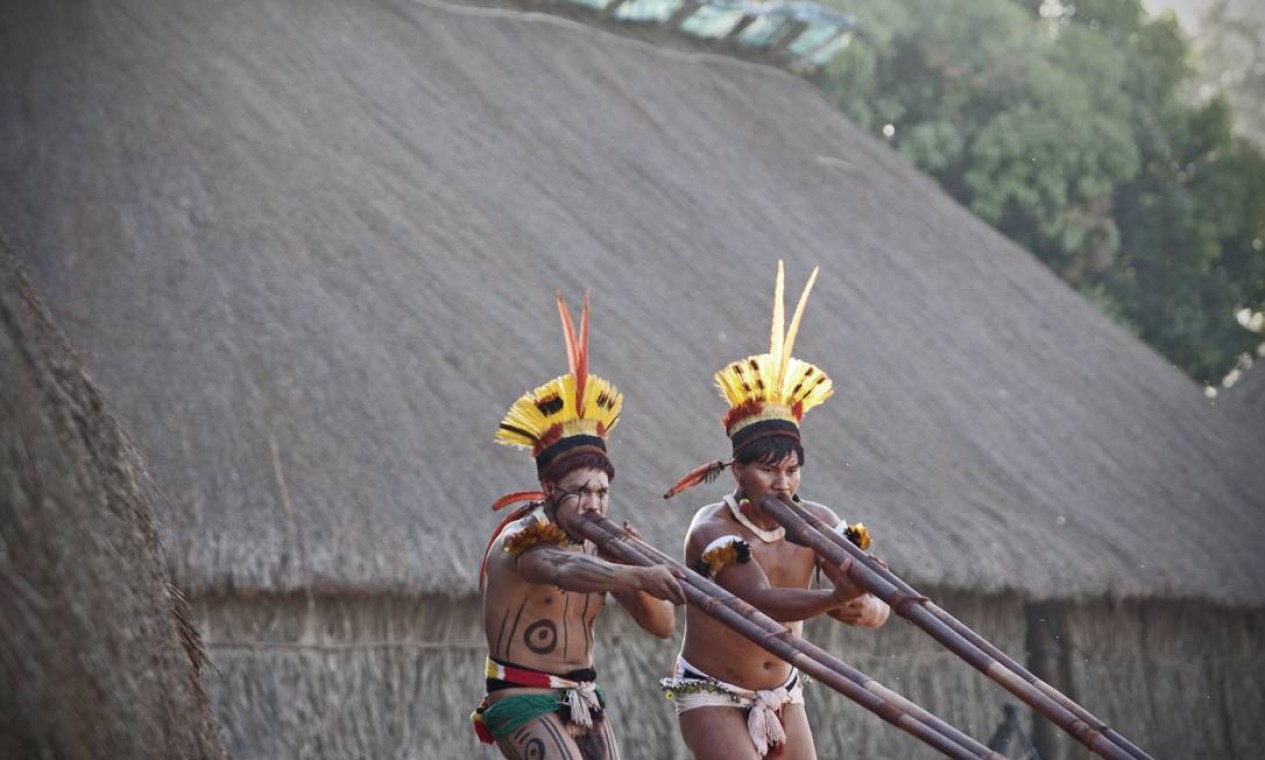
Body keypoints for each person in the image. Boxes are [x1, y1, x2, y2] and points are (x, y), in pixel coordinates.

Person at [661, 262, 890, 760]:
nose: (782, 484)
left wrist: (867, 606)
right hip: (712, 692)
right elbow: (761, 605)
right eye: (768, 471)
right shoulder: (713, 530)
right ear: (739, 471)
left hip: (785, 690)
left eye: (791, 471)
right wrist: (835, 597)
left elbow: (874, 599)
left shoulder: (822, 524)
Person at [472, 292, 686, 760]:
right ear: (548, 488)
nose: (593, 504)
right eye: (580, 491)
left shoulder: (601, 548)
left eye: (602, 493)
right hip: (521, 695)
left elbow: (662, 627)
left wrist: (635, 575)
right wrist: (634, 574)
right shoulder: (521, 540)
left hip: (585, 698)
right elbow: (560, 569)